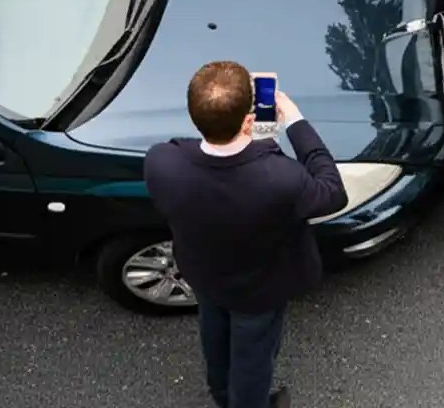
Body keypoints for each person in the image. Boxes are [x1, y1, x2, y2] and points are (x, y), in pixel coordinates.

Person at [143, 61, 349, 408]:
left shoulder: (161, 162)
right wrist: (294, 121)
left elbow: (193, 153)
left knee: (215, 338)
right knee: (252, 362)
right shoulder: (280, 179)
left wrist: (242, 136)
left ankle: (221, 395)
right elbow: (332, 191)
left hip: (205, 278)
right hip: (258, 290)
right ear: (249, 121)